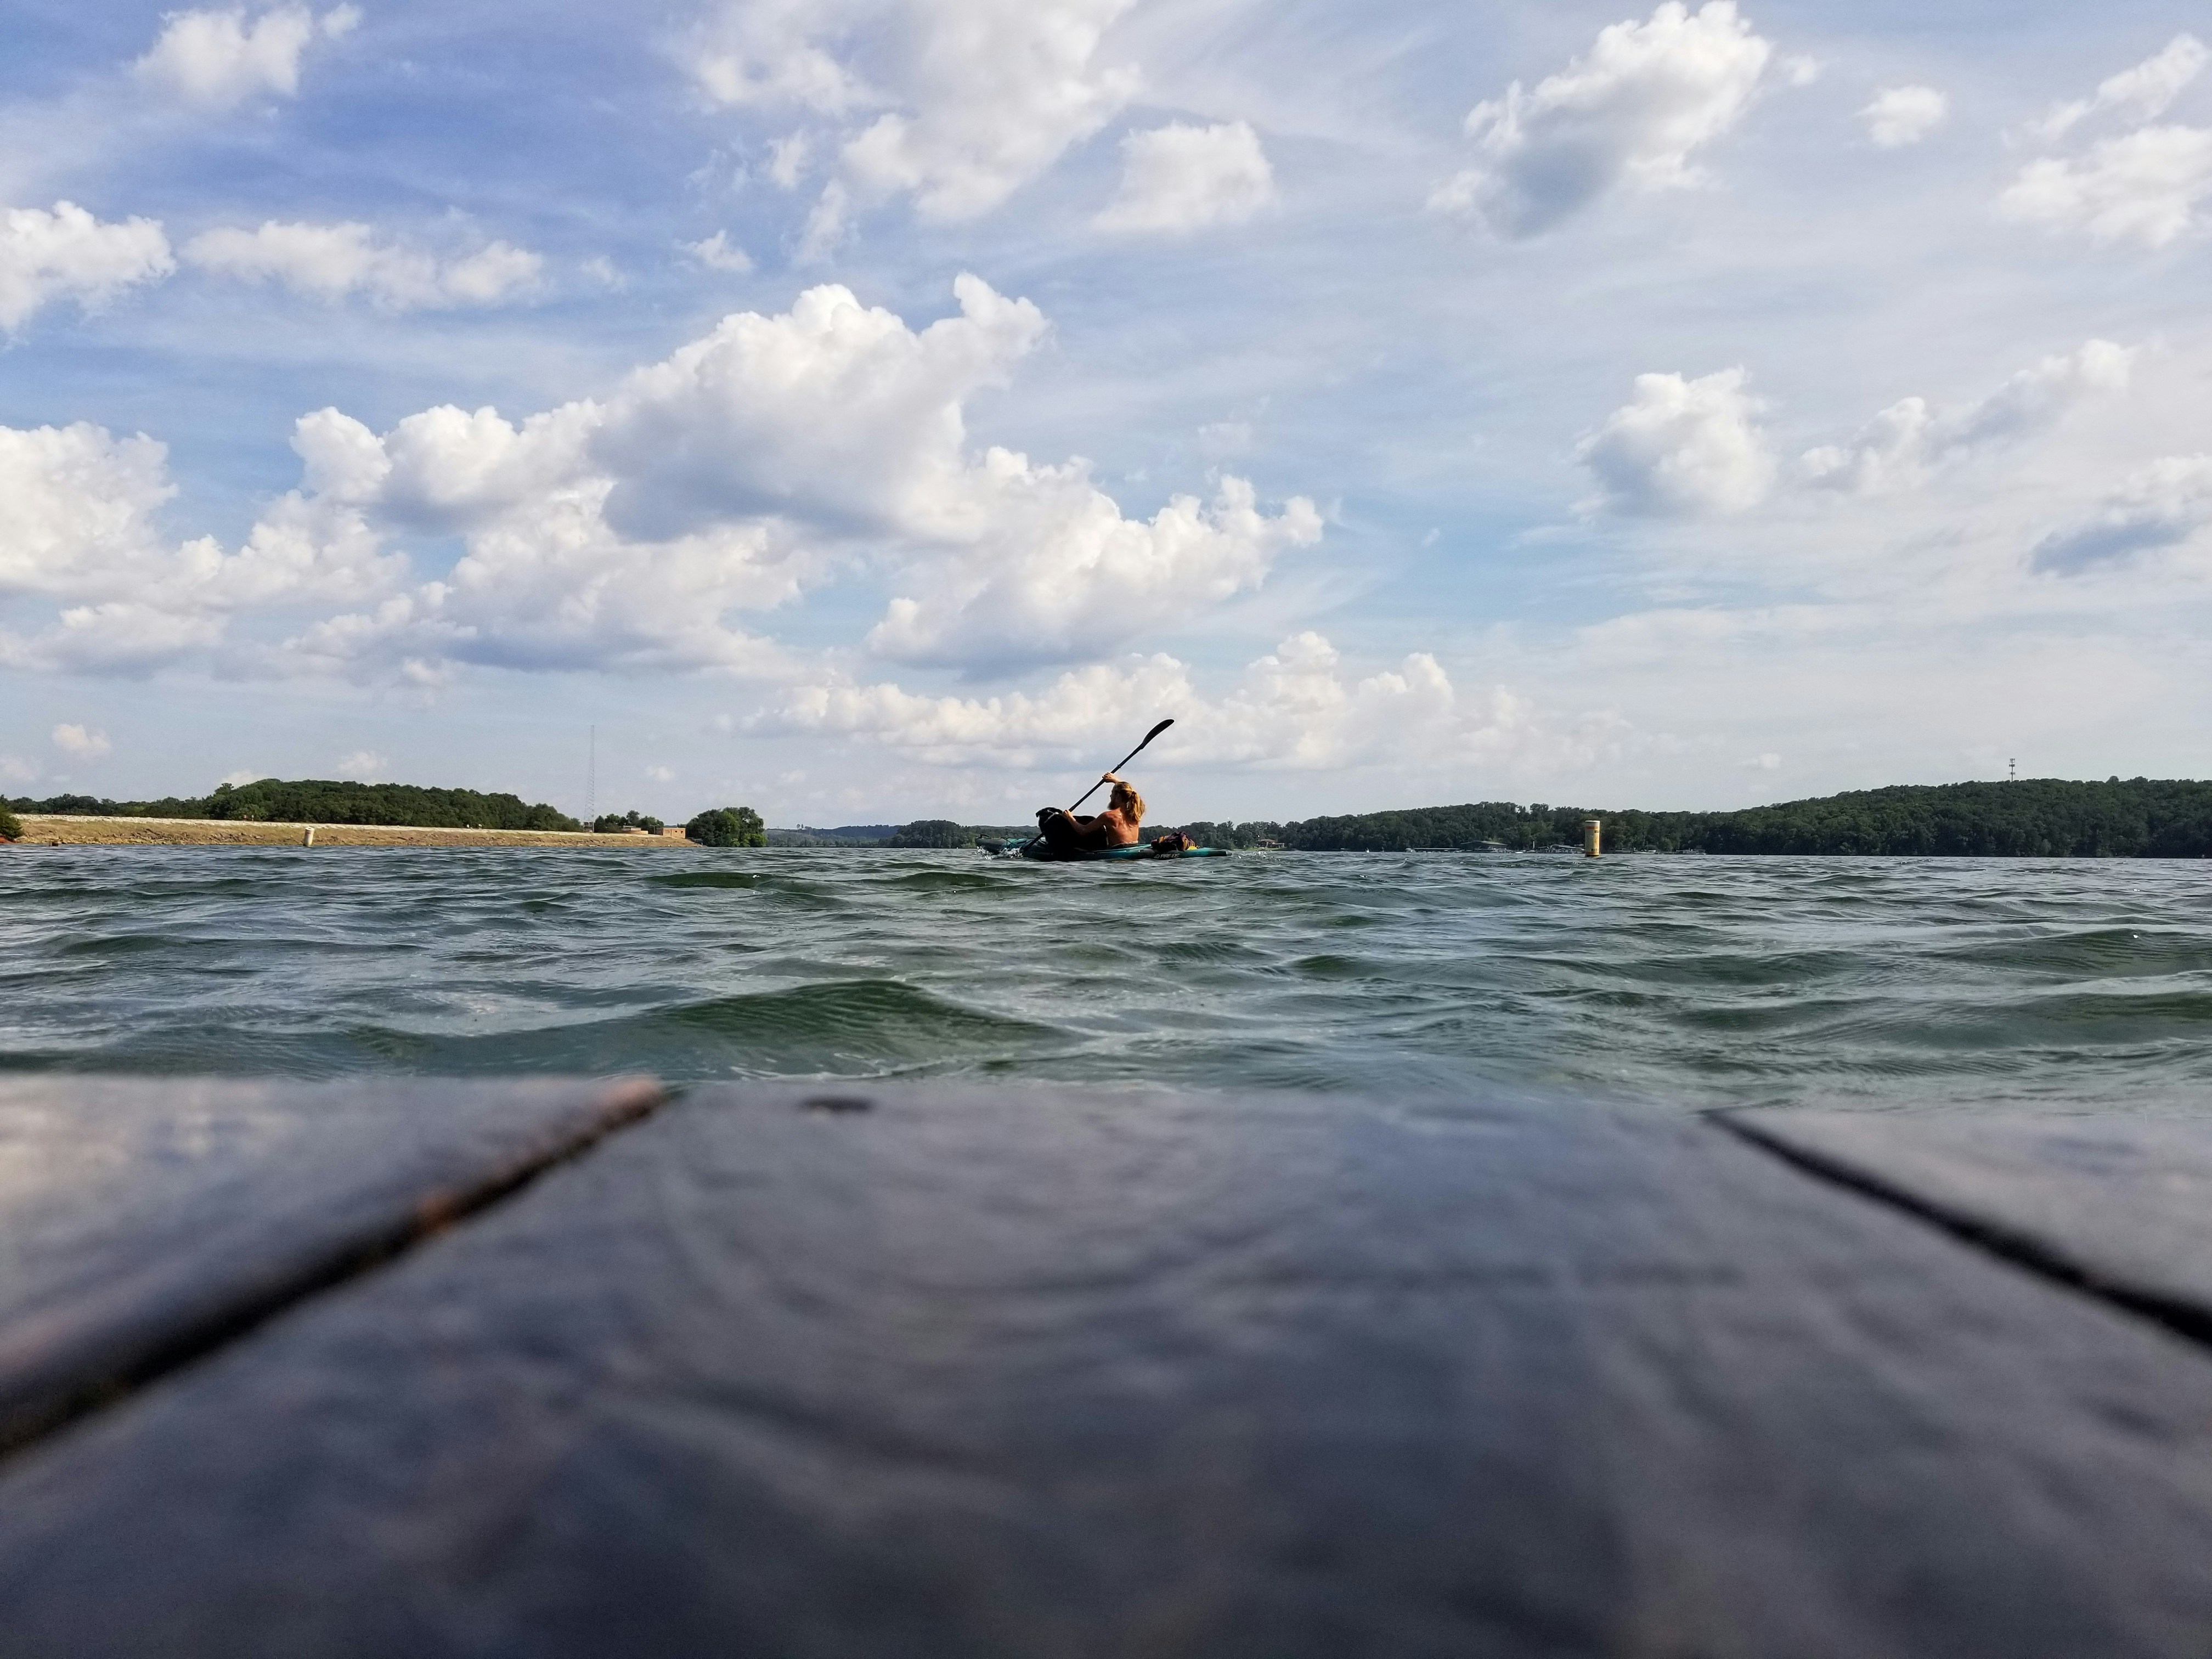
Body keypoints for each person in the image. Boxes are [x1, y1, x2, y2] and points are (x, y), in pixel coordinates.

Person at [1035, 772, 1146, 851]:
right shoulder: (1135, 812)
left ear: (1119, 797)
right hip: (1133, 848)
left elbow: (1083, 831)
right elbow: (1130, 792)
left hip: (1116, 854)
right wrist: (1115, 780)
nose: (1110, 796)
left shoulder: (1109, 816)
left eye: (1113, 793)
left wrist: (1070, 818)